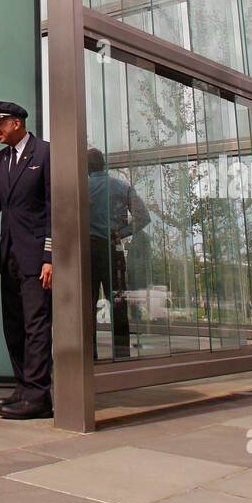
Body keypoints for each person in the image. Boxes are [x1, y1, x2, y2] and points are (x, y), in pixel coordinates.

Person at [0, 100, 53, 420]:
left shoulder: (45, 154)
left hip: (37, 258)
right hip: (10, 255)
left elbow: (54, 207)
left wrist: (50, 255)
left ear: (16, 122)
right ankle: (24, 387)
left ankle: (39, 394)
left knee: (36, 326)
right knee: (14, 325)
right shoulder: (0, 159)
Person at [87, 147, 150, 361]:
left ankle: (89, 355)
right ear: (104, 164)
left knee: (87, 304)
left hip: (87, 251)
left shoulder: (81, 188)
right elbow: (143, 217)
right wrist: (121, 233)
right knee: (119, 302)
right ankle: (122, 354)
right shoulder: (122, 187)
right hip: (112, 249)